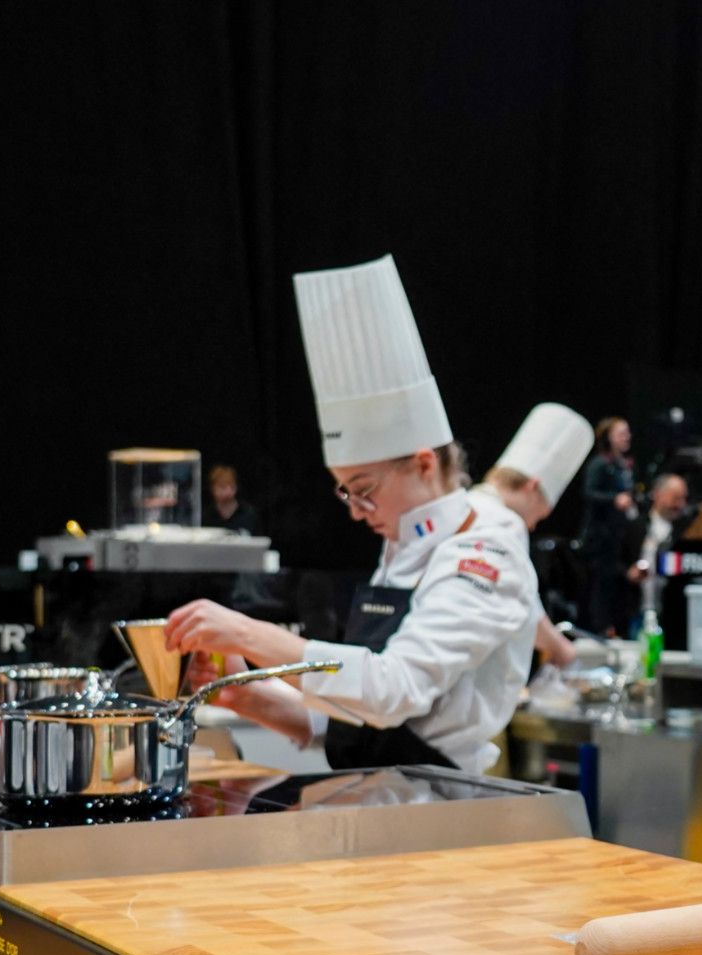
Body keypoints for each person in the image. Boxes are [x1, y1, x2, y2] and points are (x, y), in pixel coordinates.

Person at [163, 254, 542, 773]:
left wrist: (249, 634)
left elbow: (394, 692)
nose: (358, 513)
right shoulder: (405, 545)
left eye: (364, 490)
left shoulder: (483, 552)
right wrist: (246, 695)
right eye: (345, 493)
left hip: (446, 810)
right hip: (384, 794)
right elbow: (362, 726)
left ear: (424, 463)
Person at [480, 401, 595, 670]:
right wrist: (561, 649)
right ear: (533, 487)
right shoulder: (505, 523)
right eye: (540, 514)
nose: (533, 526)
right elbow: (523, 608)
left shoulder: (463, 506)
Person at [579, 416, 635, 635]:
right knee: (600, 583)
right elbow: (588, 492)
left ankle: (614, 625)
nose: (626, 437)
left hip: (619, 535)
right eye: (621, 433)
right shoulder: (599, 464)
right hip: (600, 538)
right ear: (608, 437)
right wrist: (614, 499)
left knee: (616, 581)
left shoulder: (623, 465)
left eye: (627, 433)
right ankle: (600, 627)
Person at [620, 471, 690, 625]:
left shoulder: (687, 531)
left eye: (684, 498)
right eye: (675, 498)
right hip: (637, 612)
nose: (681, 505)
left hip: (675, 616)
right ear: (658, 495)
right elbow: (615, 563)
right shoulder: (635, 526)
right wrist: (628, 573)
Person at [205, 465, 260, 536]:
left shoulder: (249, 514)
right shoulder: (207, 516)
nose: (228, 490)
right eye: (222, 486)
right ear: (213, 488)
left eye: (231, 485)